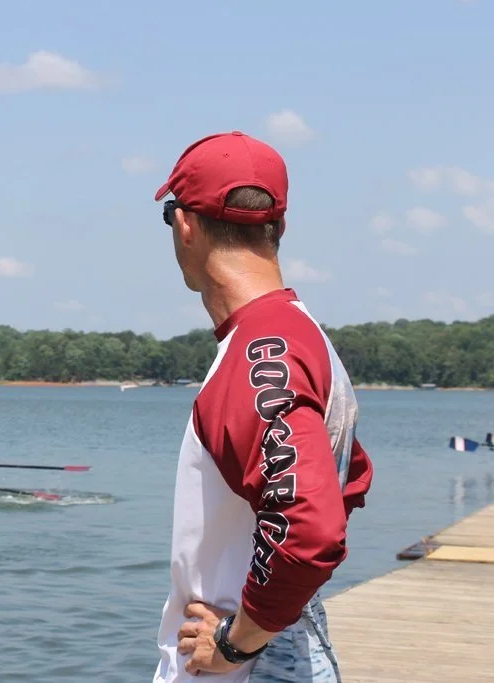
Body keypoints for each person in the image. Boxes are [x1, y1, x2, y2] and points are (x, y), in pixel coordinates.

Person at [150, 131, 374, 682]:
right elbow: (347, 483)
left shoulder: (260, 350)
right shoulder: (298, 336)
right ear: (280, 227)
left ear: (184, 224)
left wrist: (234, 644)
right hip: (290, 650)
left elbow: (310, 530)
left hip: (254, 667)